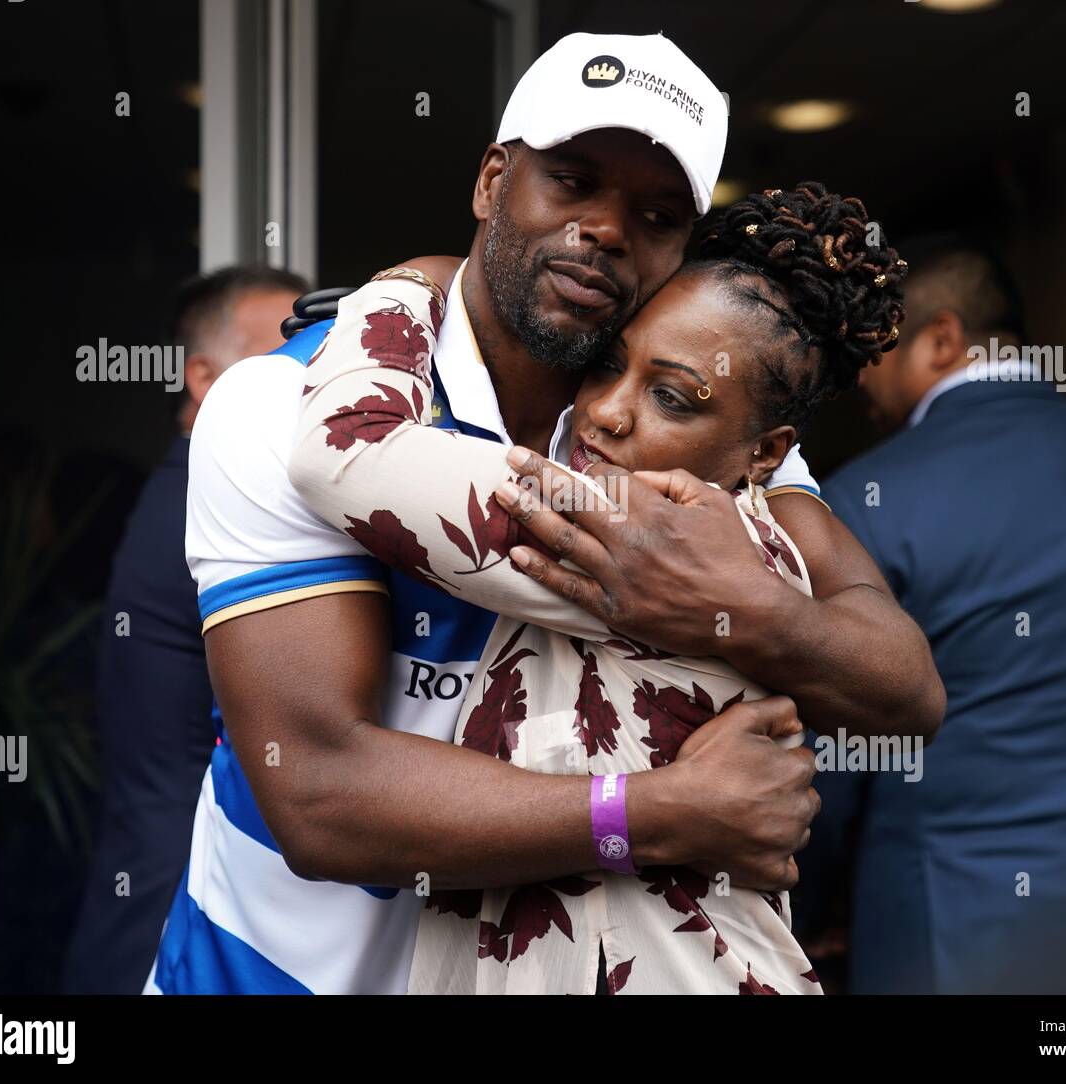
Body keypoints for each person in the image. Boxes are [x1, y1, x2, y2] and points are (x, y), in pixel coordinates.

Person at [147, 32, 942, 995]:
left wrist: (742, 610)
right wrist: (662, 811)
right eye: (571, 181)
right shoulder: (281, 402)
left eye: (654, 214)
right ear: (492, 181)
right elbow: (317, 799)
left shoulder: (681, 425)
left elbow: (903, 688)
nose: (606, 230)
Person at [288, 182, 911, 994]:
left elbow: (343, 451)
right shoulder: (757, 533)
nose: (608, 414)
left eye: (673, 398)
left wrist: (409, 288)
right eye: (610, 364)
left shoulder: (645, 536)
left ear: (768, 453)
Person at [817, 238, 1066, 992]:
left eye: (875, 349)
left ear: (941, 338)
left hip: (951, 936)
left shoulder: (865, 499)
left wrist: (802, 913)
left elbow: (836, 760)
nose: (862, 380)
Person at [63, 267, 305, 994]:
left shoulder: (183, 491)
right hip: (167, 919)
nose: (311, 376)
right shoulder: (210, 508)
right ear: (202, 378)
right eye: (284, 356)